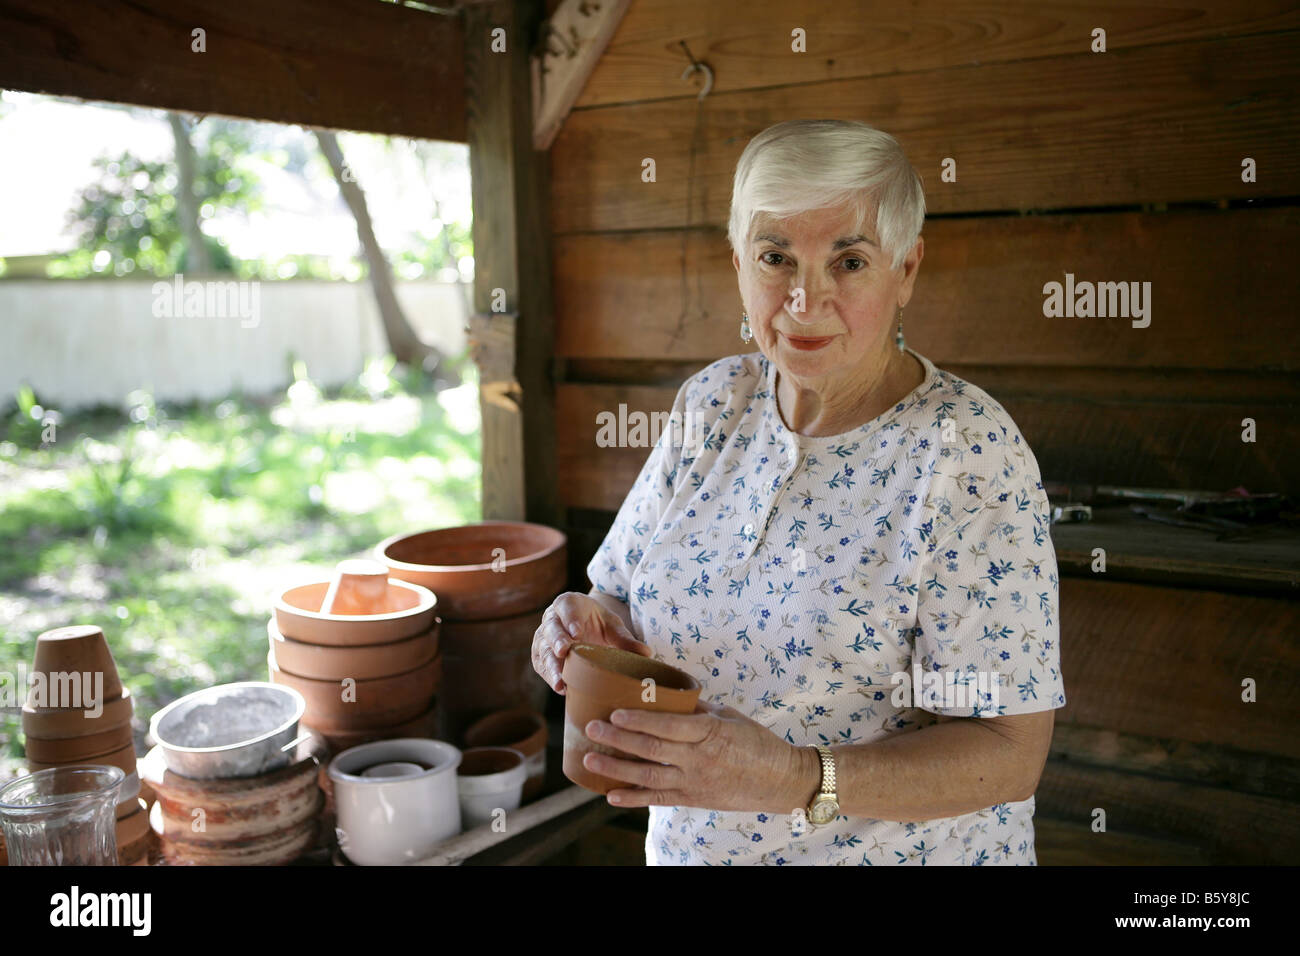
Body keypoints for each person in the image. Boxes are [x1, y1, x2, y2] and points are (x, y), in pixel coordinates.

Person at [532, 119, 1065, 865]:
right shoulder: (713, 403)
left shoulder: (967, 452)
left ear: (906, 270)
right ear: (739, 263)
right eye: (776, 257)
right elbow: (615, 598)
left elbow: (1008, 753)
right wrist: (577, 624)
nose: (805, 299)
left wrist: (794, 776)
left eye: (849, 261)